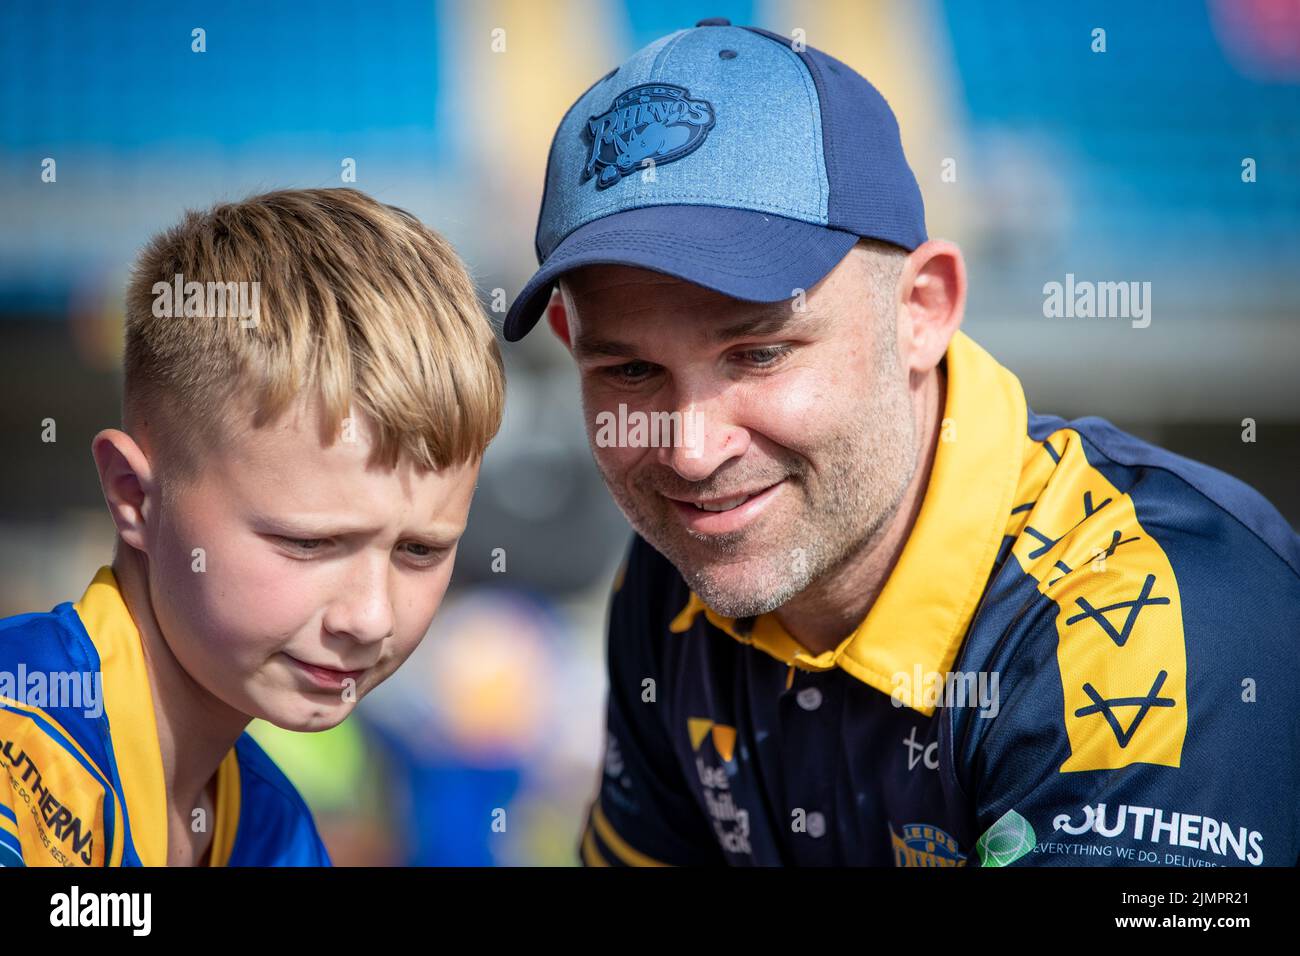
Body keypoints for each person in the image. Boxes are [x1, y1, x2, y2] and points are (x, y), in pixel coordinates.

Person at [503, 20, 1299, 866]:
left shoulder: (1147, 623)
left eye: (760, 353)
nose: (691, 453)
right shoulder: (675, 574)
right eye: (630, 370)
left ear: (923, 310)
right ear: (569, 342)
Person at [0, 188, 505, 866]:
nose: (370, 618)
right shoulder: (17, 747)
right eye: (308, 543)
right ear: (133, 496)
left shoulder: (280, 836)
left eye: (420, 550)